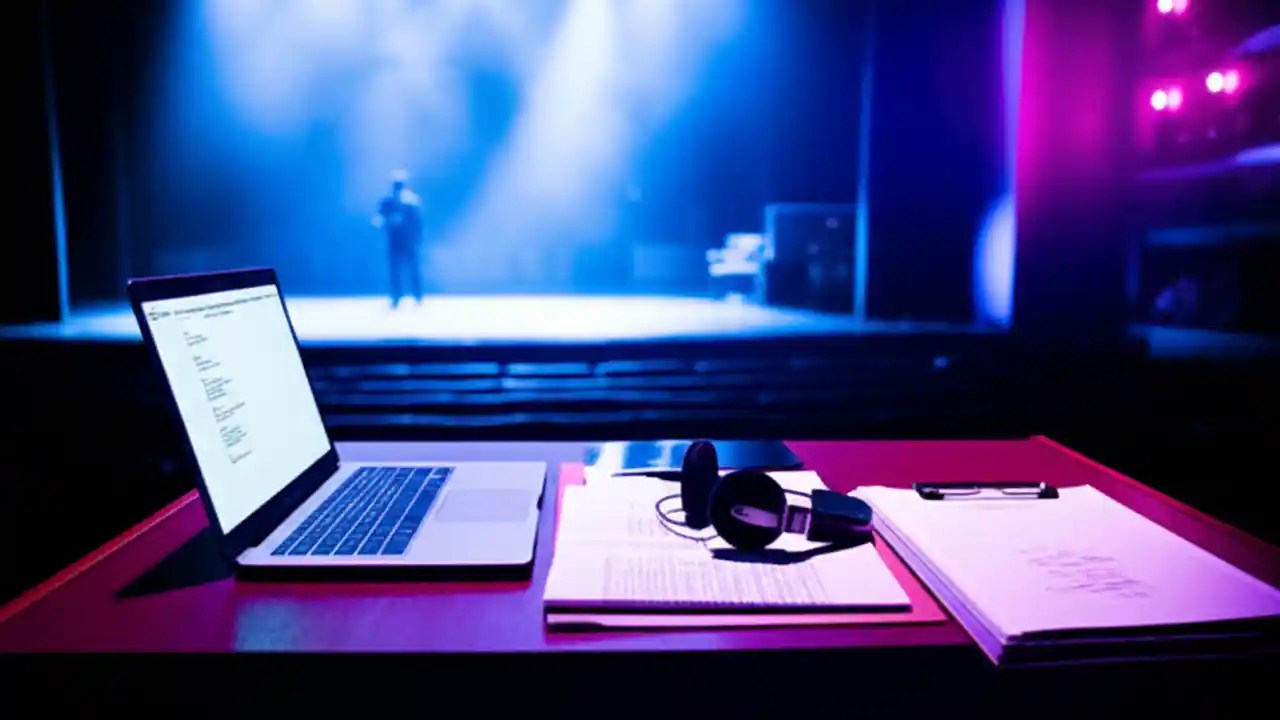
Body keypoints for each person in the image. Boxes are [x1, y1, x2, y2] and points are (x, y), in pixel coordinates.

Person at [372, 170, 425, 308]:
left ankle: (417, 294)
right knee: (395, 270)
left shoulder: (412, 201)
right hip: (395, 241)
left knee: (413, 269)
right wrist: (389, 221)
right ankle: (396, 295)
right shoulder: (387, 201)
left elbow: (418, 221)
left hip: (409, 241)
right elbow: (378, 219)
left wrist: (416, 235)